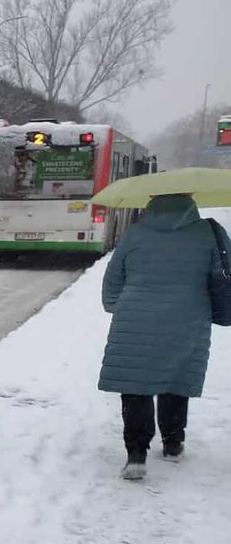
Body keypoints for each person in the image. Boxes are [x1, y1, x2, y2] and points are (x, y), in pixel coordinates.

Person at [99, 193, 226, 480]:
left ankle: (136, 455)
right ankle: (173, 442)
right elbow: (217, 278)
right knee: (176, 377)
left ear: (152, 202)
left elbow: (113, 280)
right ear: (190, 200)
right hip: (188, 317)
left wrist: (119, 305)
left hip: (135, 318)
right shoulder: (206, 234)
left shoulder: (135, 234)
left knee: (136, 384)